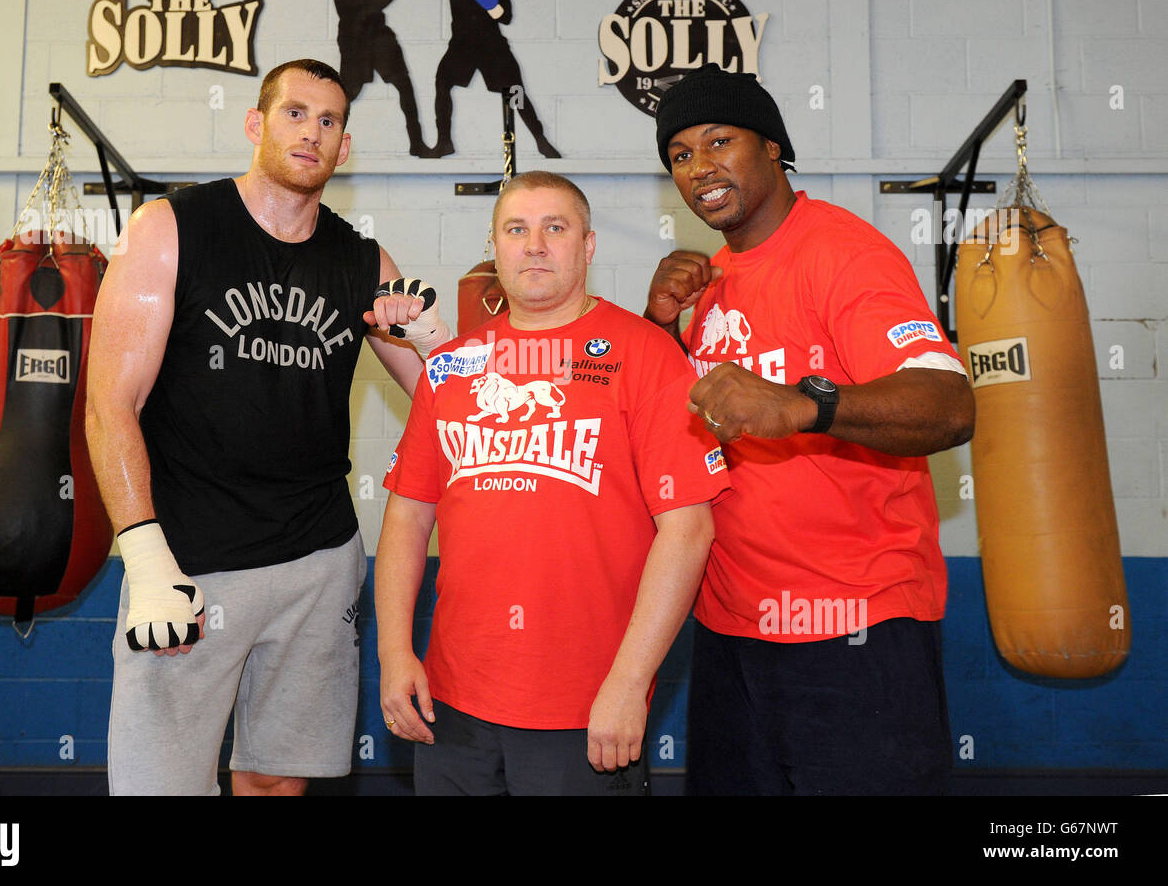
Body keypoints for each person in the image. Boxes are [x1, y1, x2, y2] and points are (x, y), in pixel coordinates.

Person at [86, 58, 451, 796]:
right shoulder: (172, 228)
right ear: (256, 124)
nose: (311, 133)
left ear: (344, 147)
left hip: (317, 559)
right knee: (161, 787)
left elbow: (450, 404)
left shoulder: (360, 259)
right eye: (294, 113)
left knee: (278, 782)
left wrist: (432, 340)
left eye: (329, 121)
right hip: (189, 559)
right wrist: (146, 559)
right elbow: (109, 405)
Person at [645, 63, 975, 795]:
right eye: (680, 155)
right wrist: (659, 329)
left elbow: (949, 405)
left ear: (773, 148)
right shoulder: (711, 281)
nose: (700, 167)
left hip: (855, 630)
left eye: (719, 140)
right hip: (732, 629)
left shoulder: (844, 254)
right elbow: (684, 437)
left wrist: (807, 404)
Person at [376, 171, 724, 795]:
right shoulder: (454, 365)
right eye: (517, 229)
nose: (534, 245)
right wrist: (395, 652)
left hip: (586, 707)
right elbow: (407, 513)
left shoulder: (646, 354)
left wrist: (628, 683)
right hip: (453, 701)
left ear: (587, 245)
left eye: (554, 228)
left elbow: (689, 528)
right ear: (495, 246)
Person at [417, 0, 559, 159]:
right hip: (463, 45)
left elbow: (506, 18)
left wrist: (492, 6)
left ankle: (541, 141)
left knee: (516, 90)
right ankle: (444, 142)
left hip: (490, 45)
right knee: (443, 82)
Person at [331, 0, 431, 156]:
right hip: (357, 37)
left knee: (403, 86)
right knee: (345, 95)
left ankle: (416, 143)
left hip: (375, 34)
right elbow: (370, 5)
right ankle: (329, 145)